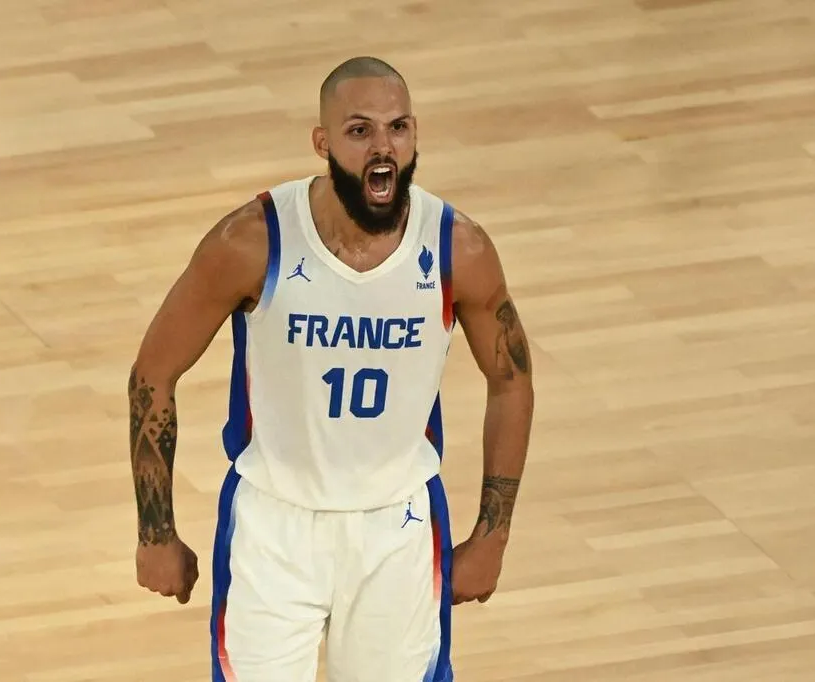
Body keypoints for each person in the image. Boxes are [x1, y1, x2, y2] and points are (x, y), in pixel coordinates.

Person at [127, 55, 535, 682]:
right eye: (359, 130)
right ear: (322, 142)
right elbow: (153, 372)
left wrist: (492, 535)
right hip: (274, 523)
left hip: (398, 527)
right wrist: (157, 531)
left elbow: (511, 379)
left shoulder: (458, 248)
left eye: (398, 128)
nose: (383, 147)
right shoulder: (253, 240)